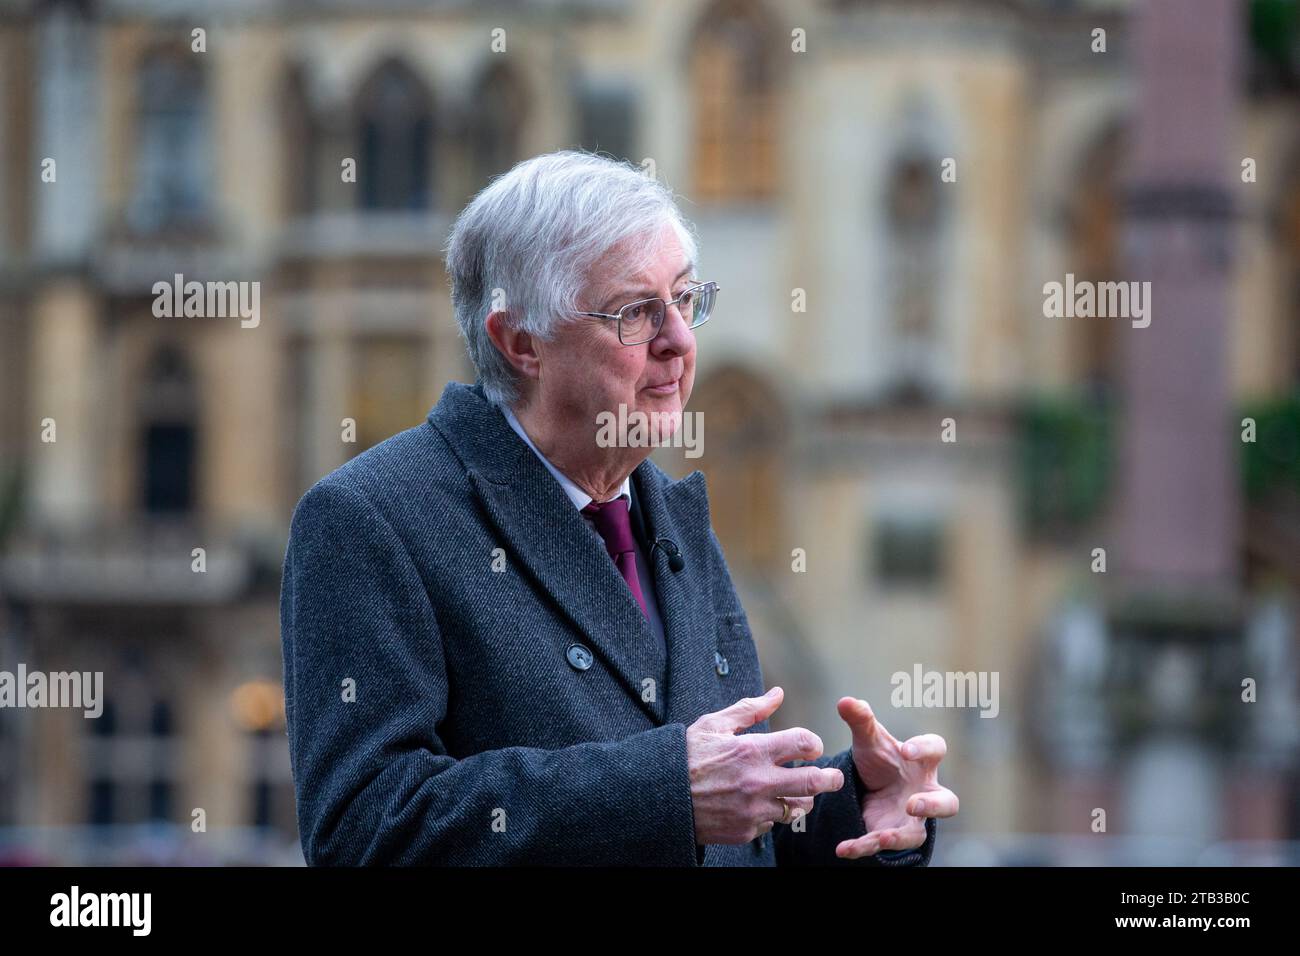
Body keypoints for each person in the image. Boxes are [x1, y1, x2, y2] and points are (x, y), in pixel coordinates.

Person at [279, 150, 958, 865]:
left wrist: (854, 810)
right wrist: (664, 790)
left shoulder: (674, 517)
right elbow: (364, 831)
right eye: (636, 312)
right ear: (520, 342)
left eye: (686, 299)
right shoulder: (368, 519)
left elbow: (724, 842)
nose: (680, 341)